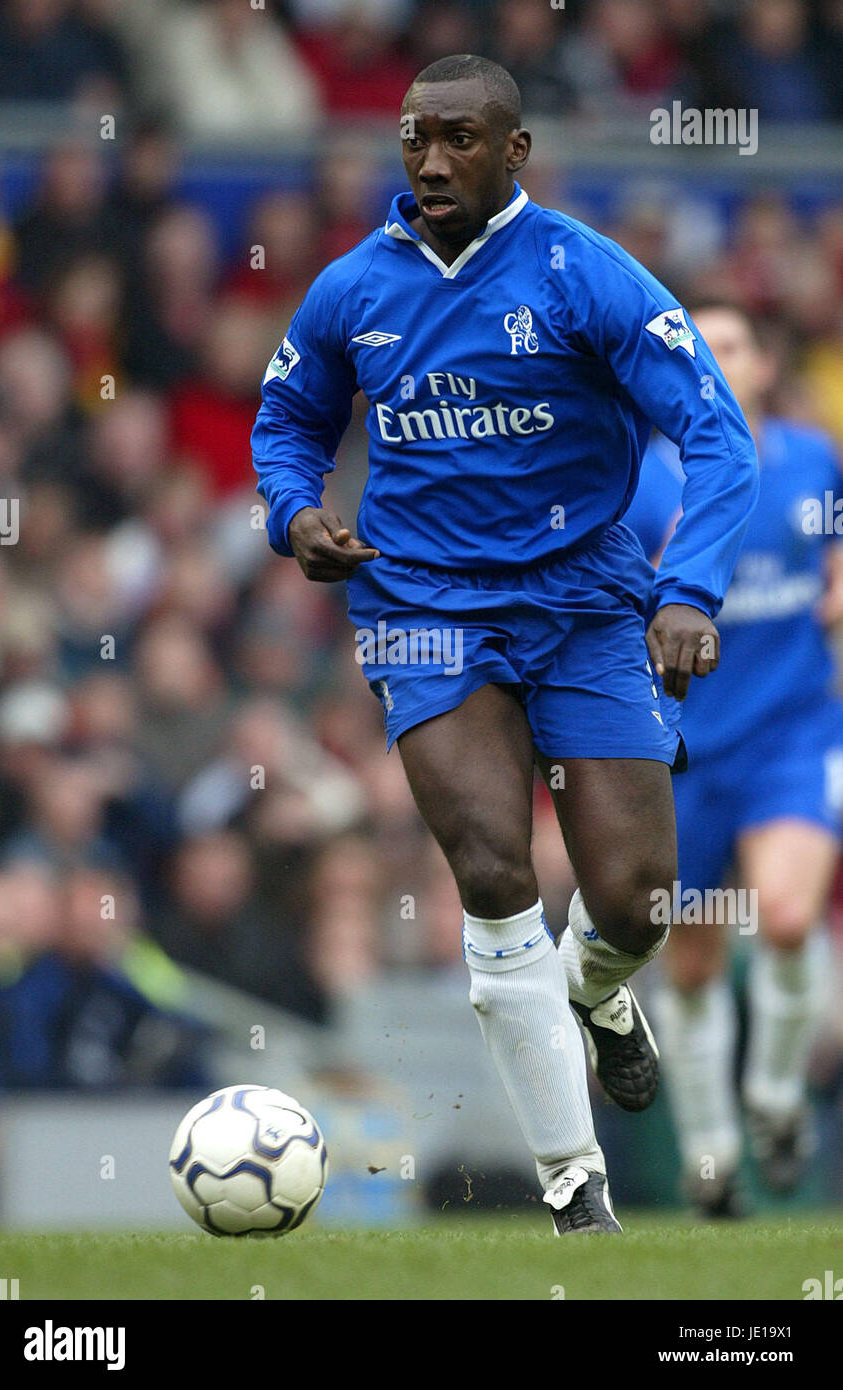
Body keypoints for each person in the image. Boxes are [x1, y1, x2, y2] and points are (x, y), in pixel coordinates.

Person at [252, 55, 758, 1234]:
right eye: (414, 139)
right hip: (424, 609)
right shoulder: (346, 291)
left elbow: (715, 433)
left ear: (515, 151)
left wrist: (686, 589)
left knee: (635, 902)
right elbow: (288, 420)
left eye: (461, 140)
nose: (431, 161)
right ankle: (575, 1189)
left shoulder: (587, 275)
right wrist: (294, 516)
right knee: (490, 870)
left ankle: (596, 992)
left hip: (585, 605)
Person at [625, 303, 843, 1216]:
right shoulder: (642, 484)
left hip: (791, 734)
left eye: (732, 346)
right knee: (692, 964)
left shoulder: (808, 460)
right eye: (696, 349)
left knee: (788, 917)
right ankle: (710, 1161)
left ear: (762, 365)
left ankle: (777, 1097)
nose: (714, 362)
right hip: (682, 754)